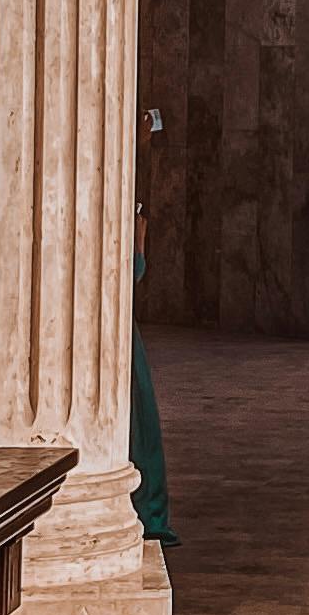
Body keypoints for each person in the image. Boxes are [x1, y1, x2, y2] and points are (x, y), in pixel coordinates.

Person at [130, 106, 177, 548]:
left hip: (126, 335)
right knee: (138, 427)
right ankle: (144, 506)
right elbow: (132, 271)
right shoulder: (121, 188)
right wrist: (141, 241)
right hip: (121, 337)